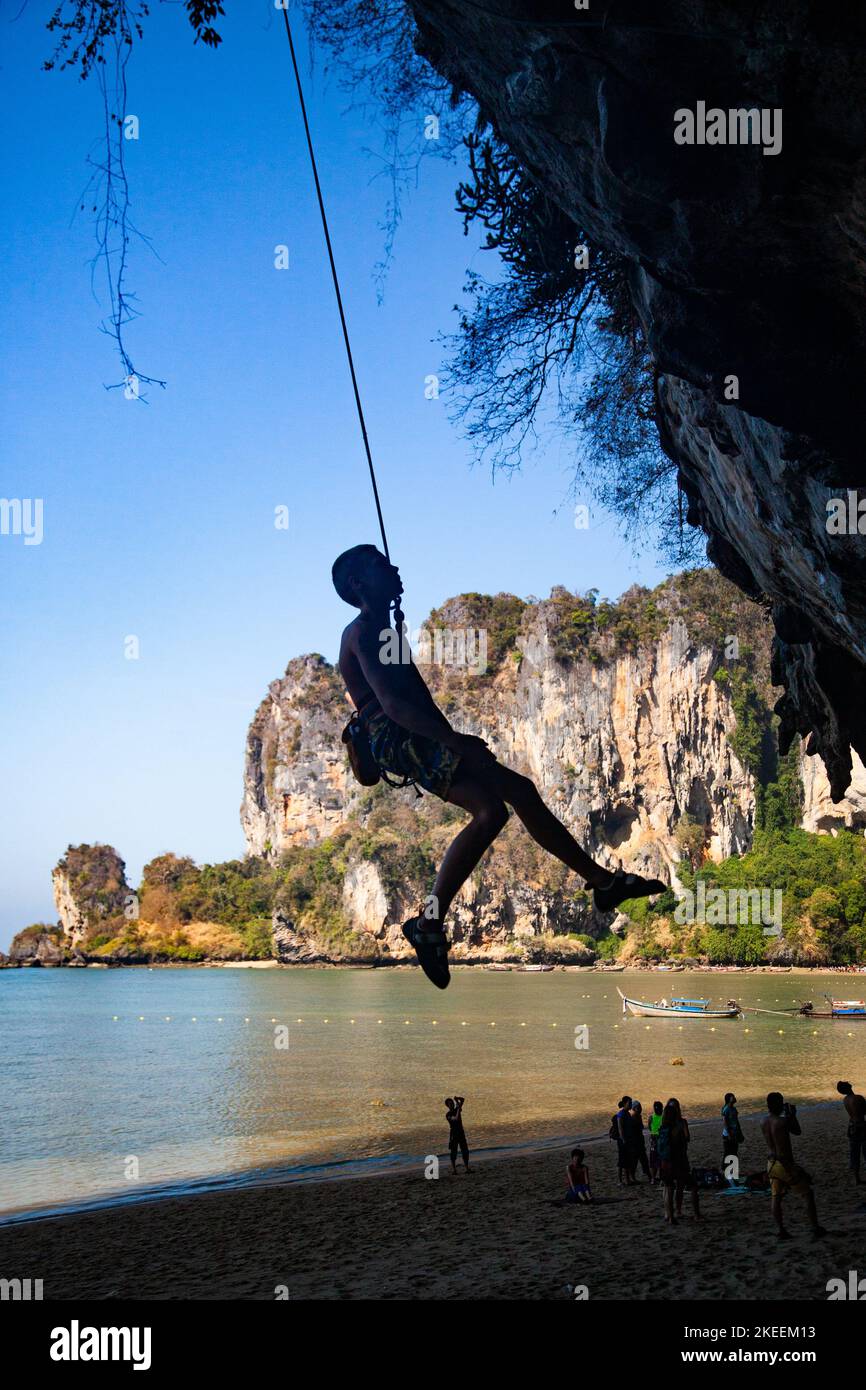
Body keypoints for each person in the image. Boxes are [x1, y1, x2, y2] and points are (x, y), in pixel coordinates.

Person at [333, 545, 666, 988]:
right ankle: (602, 883)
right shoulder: (362, 633)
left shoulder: (380, 629)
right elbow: (393, 703)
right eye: (379, 564)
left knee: (495, 810)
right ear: (357, 583)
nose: (392, 566)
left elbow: (415, 695)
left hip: (412, 735)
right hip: (401, 736)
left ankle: (431, 923)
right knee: (518, 794)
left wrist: (450, 736)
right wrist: (453, 741)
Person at [761, 1092, 825, 1240]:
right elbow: (797, 1131)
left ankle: (781, 1230)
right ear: (778, 1104)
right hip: (785, 1164)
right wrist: (792, 1115)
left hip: (771, 1164)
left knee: (776, 1198)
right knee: (807, 1194)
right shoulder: (781, 1122)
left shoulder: (763, 1121)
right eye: (781, 1102)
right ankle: (815, 1227)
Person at [658, 1097, 700, 1224]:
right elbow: (686, 1139)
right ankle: (696, 1215)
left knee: (668, 1188)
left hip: (665, 1161)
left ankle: (670, 1217)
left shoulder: (663, 1127)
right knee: (692, 1185)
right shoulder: (679, 1126)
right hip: (677, 1161)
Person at [836, 1081, 866, 1185]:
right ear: (848, 1087)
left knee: (854, 1153)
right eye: (846, 1082)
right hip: (861, 1126)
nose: (848, 1082)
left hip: (852, 1126)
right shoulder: (858, 1098)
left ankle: (856, 1178)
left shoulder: (845, 1099)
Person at [615, 1095, 637, 1185]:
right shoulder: (621, 1114)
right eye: (629, 1103)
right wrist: (623, 1139)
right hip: (623, 1140)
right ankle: (621, 1180)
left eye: (631, 1102)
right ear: (624, 1104)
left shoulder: (627, 1113)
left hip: (628, 1139)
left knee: (627, 1160)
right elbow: (620, 1128)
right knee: (622, 1161)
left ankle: (627, 1179)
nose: (631, 1104)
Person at [446, 1096, 470, 1173]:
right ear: (447, 1106)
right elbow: (455, 1119)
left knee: (465, 1151)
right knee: (453, 1152)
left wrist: (457, 1099)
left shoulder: (457, 1109)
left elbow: (463, 1099)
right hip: (454, 1135)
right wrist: (458, 1109)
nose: (452, 1104)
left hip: (461, 1133)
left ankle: (467, 1168)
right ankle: (454, 1170)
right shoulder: (448, 1114)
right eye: (450, 1104)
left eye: (452, 1103)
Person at [721, 1092, 744, 1168]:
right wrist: (729, 1134)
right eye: (732, 1097)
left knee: (734, 1152)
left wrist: (740, 1132)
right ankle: (725, 1168)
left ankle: (731, 1168)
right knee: (728, 1152)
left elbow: (736, 1121)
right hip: (728, 1134)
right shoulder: (726, 1109)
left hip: (734, 1133)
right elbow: (725, 1123)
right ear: (728, 1099)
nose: (734, 1098)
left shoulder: (734, 1109)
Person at [630, 1100, 651, 1180]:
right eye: (639, 1107)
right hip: (636, 1142)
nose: (641, 1108)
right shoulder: (634, 1117)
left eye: (640, 1107)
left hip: (639, 1141)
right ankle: (647, 1175)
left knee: (643, 1160)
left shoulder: (638, 1116)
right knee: (638, 1160)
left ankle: (649, 1175)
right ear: (634, 1108)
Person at [648, 1100, 664, 1185]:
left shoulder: (651, 1117)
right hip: (660, 1139)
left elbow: (649, 1127)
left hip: (654, 1139)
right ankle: (659, 1179)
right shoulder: (664, 1117)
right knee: (660, 1159)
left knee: (653, 1160)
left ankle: (653, 1179)